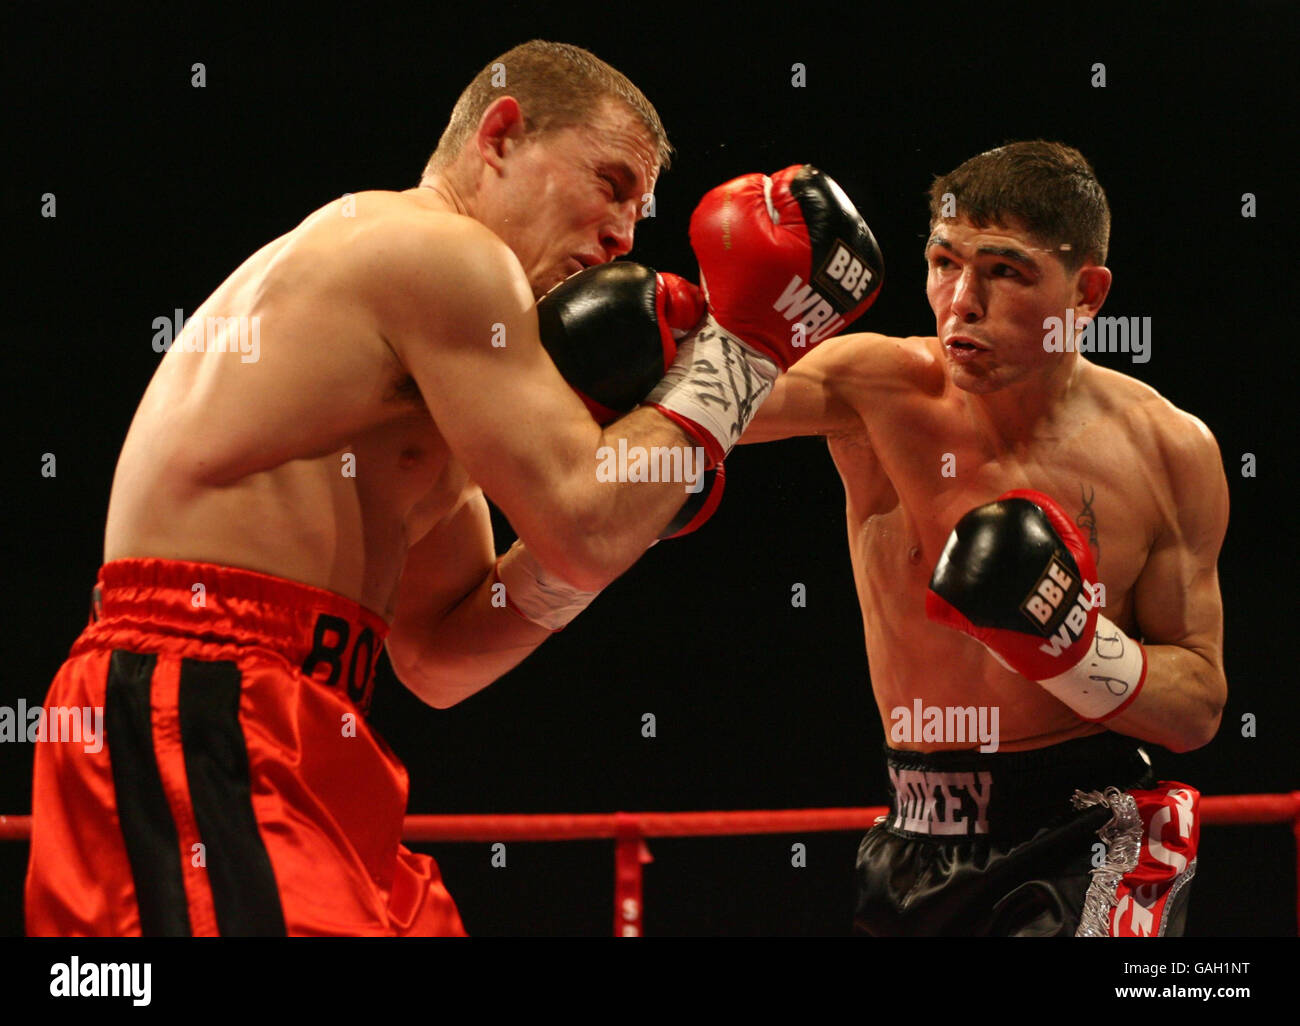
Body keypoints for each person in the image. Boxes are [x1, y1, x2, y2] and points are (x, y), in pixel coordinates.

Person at [25, 39, 880, 936]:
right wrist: (741, 353)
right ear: (503, 134)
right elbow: (585, 519)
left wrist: (611, 533)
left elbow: (437, 655)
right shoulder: (437, 252)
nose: (626, 234)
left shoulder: (431, 386)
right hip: (196, 698)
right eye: (611, 182)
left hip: (300, 723)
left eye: (641, 208)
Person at [741, 141, 1228, 936]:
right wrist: (736, 320)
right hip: (911, 839)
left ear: (1088, 292)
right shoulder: (874, 389)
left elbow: (1198, 710)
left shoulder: (1169, 450)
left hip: (1093, 831)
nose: (961, 299)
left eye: (1006, 271)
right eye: (943, 261)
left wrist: (1073, 648)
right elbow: (669, 419)